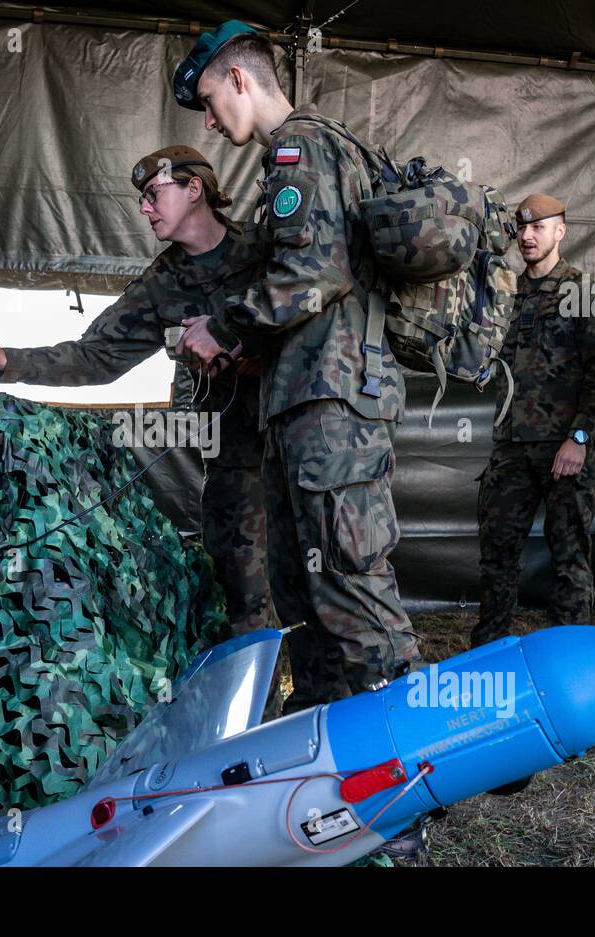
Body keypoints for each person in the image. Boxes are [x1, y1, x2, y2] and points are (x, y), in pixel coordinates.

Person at [171, 20, 422, 711]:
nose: (211, 124)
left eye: (210, 102)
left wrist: (222, 325)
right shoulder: (311, 151)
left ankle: (412, 755)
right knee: (301, 579)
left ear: (240, 79)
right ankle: (323, 736)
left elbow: (316, 274)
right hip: (306, 398)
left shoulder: (300, 150)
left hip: (333, 400)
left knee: (347, 577)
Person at [0, 145, 276, 638]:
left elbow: (317, 309)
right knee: (243, 601)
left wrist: (245, 340)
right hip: (237, 466)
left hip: (299, 445)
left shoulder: (269, 250)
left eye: (152, 195)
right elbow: (97, 356)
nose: (144, 208)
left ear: (195, 189)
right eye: (141, 199)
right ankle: (259, 712)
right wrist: (7, 359)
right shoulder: (161, 285)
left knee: (321, 583)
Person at [471, 194, 595, 647]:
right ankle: (490, 648)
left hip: (564, 449)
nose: (528, 236)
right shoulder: (507, 292)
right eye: (522, 228)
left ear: (561, 231)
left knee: (570, 555)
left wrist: (577, 437)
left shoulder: (581, 291)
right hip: (512, 447)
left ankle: (569, 656)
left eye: (539, 227)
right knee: (497, 553)